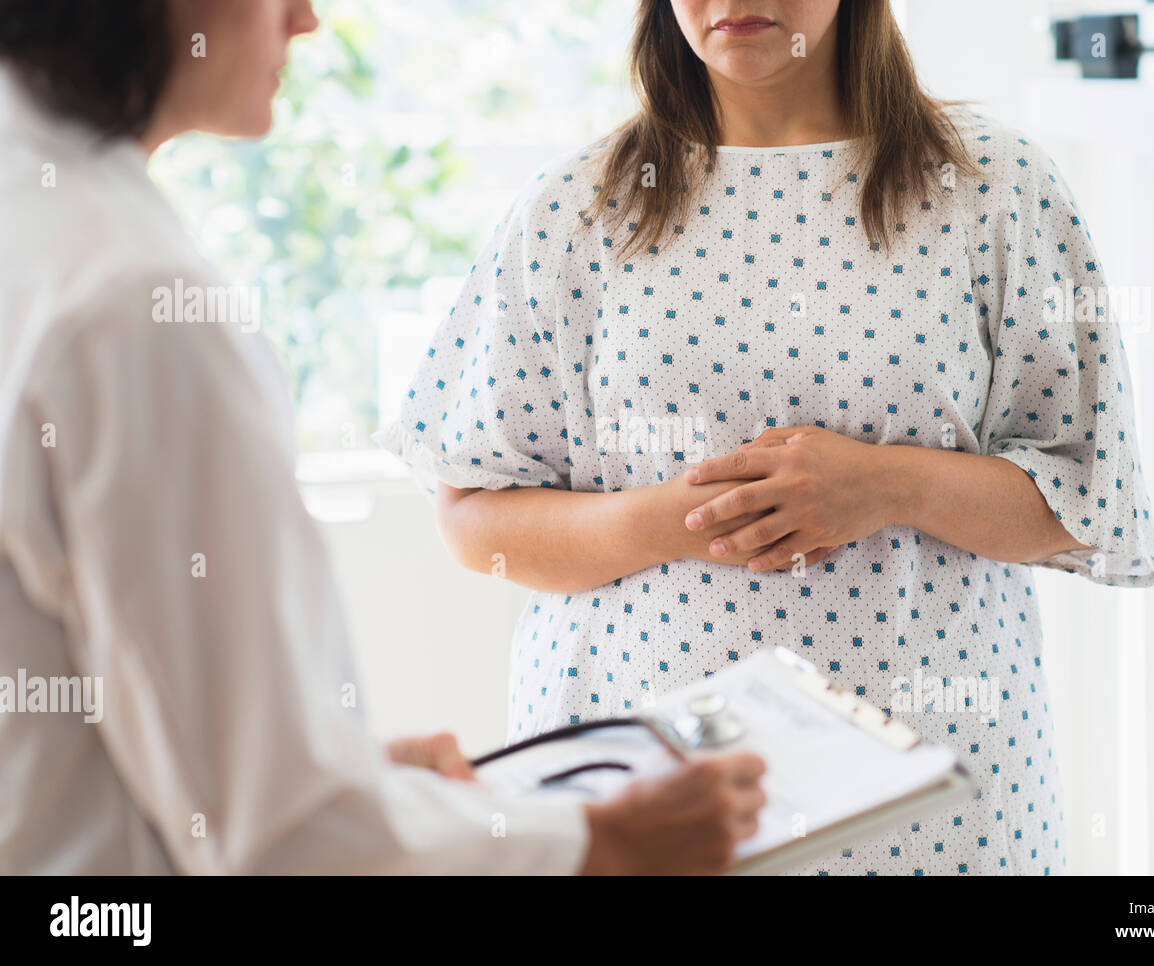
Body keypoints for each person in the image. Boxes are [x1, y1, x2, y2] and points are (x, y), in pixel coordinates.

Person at [379, 0, 1154, 875]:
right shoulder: (576, 206)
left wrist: (889, 485)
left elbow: (1086, 501)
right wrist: (680, 519)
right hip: (647, 800)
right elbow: (473, 518)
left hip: (939, 803)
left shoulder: (994, 183)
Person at [0, 0, 766, 875]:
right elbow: (285, 838)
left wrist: (354, 782)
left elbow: (163, 742)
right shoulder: (132, 306)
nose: (306, 20)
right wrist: (603, 845)